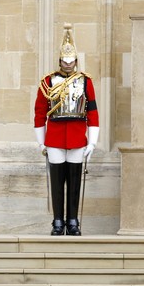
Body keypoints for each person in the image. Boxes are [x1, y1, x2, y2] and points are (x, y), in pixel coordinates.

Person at [34, 24, 99, 237]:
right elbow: (39, 113)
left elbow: (92, 112)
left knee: (74, 179)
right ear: (60, 60)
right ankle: (58, 220)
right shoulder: (48, 81)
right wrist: (41, 141)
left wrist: (93, 141)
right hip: (54, 136)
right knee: (56, 180)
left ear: (76, 62)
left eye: (71, 62)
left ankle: (72, 220)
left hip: (77, 135)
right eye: (65, 61)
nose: (68, 65)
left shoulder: (85, 81)